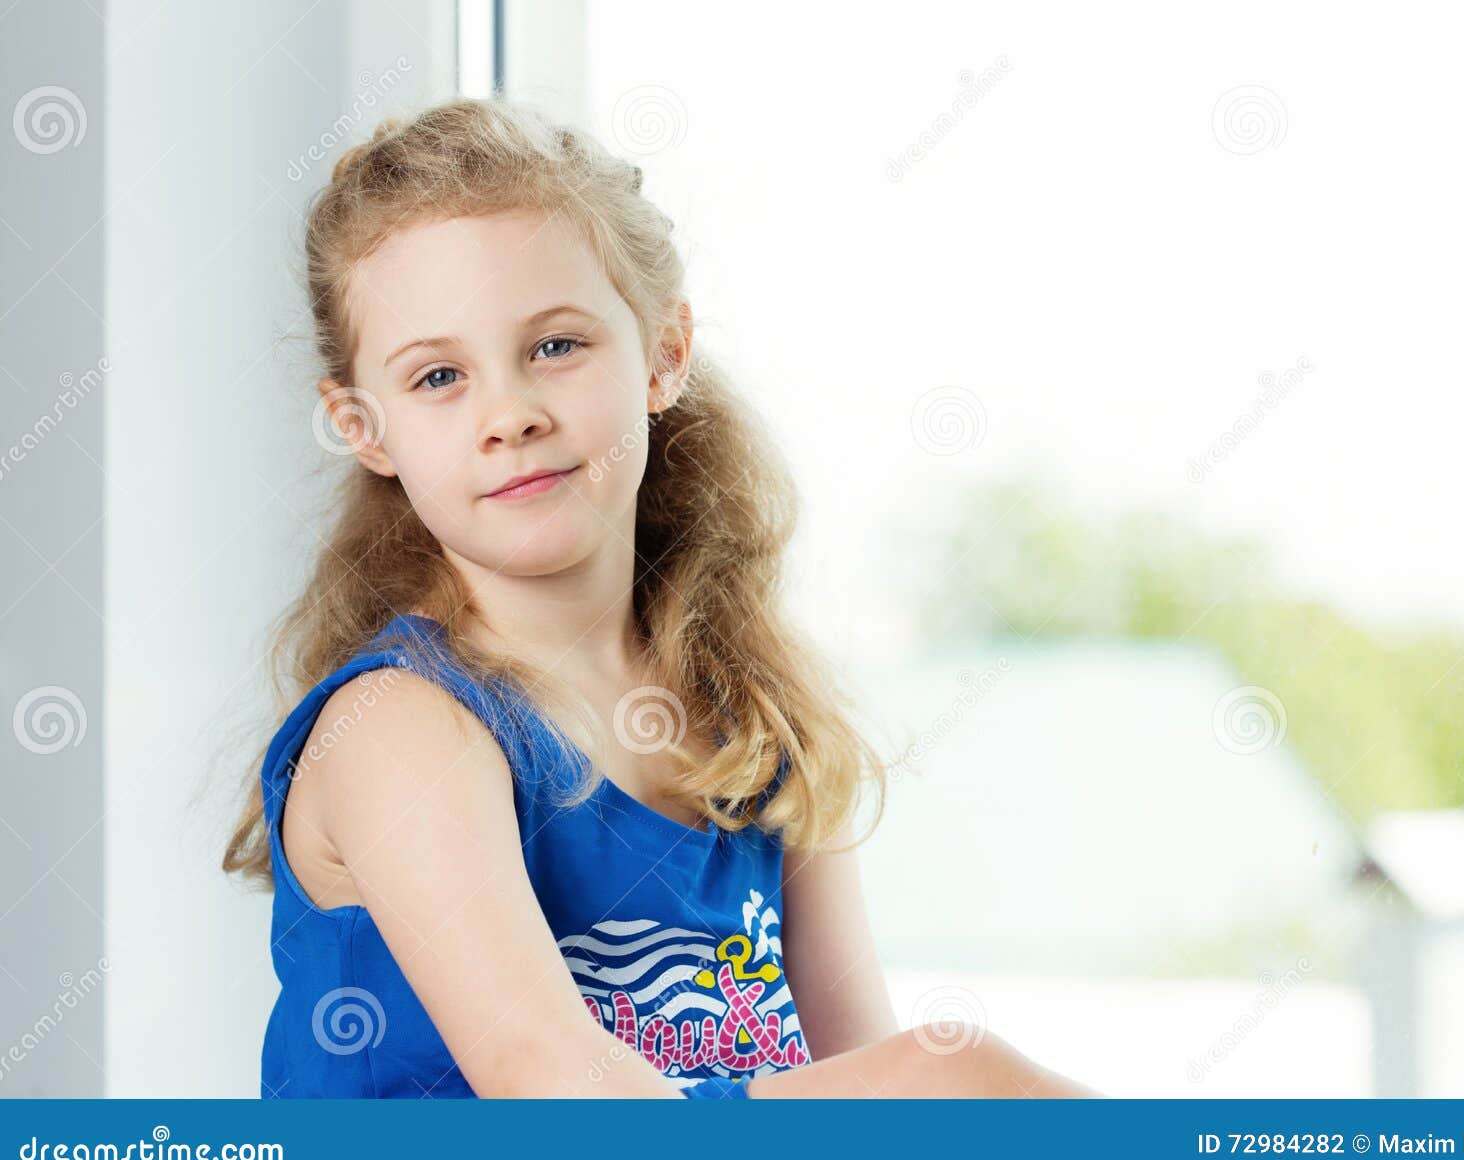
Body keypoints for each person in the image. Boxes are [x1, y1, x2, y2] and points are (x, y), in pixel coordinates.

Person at [222, 96, 1100, 1101]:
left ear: (662, 355)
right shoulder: (397, 728)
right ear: (363, 426)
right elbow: (546, 1081)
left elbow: (859, 1090)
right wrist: (953, 1079)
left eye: (555, 346)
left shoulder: (758, 717)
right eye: (438, 377)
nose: (509, 414)